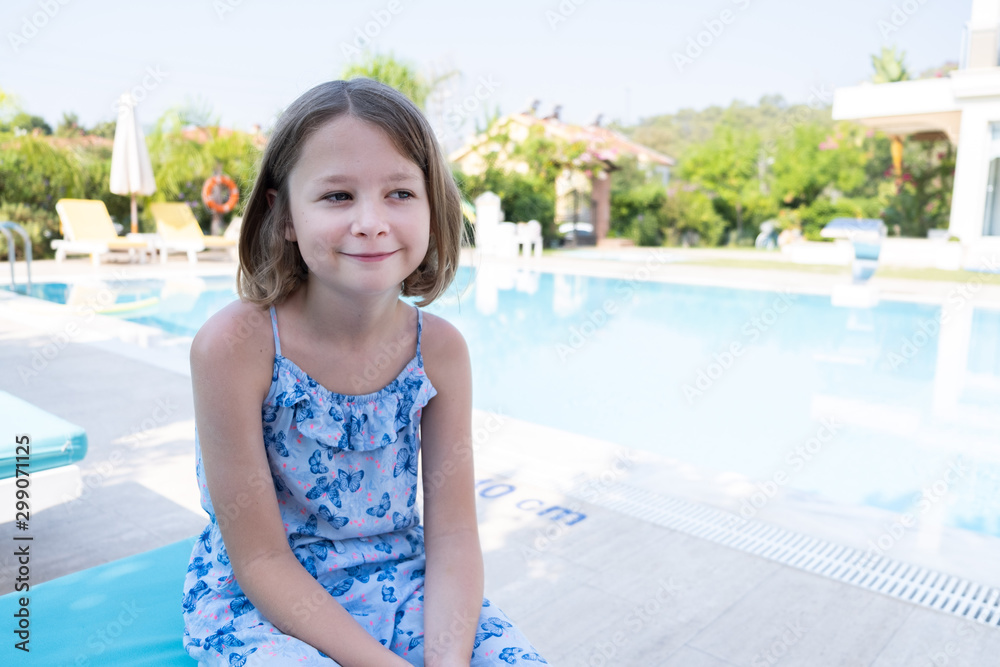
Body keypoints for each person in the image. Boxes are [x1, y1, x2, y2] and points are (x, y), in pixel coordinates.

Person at [181, 78, 547, 666]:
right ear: (284, 214)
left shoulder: (441, 351)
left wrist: (445, 660)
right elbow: (260, 562)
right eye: (337, 196)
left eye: (400, 193)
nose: (371, 221)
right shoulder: (234, 347)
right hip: (265, 605)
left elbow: (452, 537)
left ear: (433, 205)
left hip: (406, 585)